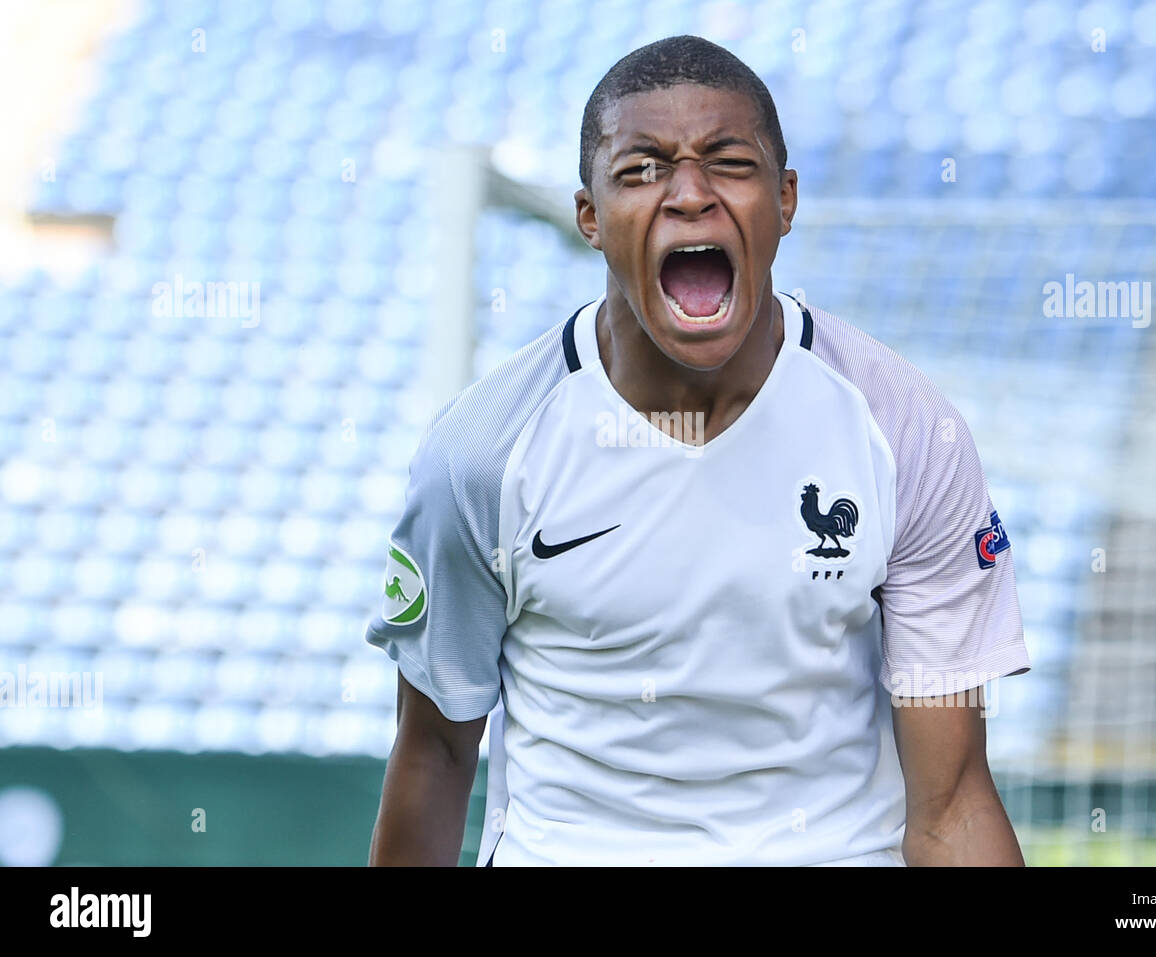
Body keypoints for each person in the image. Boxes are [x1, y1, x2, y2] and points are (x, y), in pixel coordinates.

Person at [366, 35, 1030, 866]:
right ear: (590, 217)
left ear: (786, 200)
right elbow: (433, 750)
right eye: (641, 169)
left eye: (729, 163)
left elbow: (955, 802)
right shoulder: (480, 452)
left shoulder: (904, 431)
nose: (689, 194)